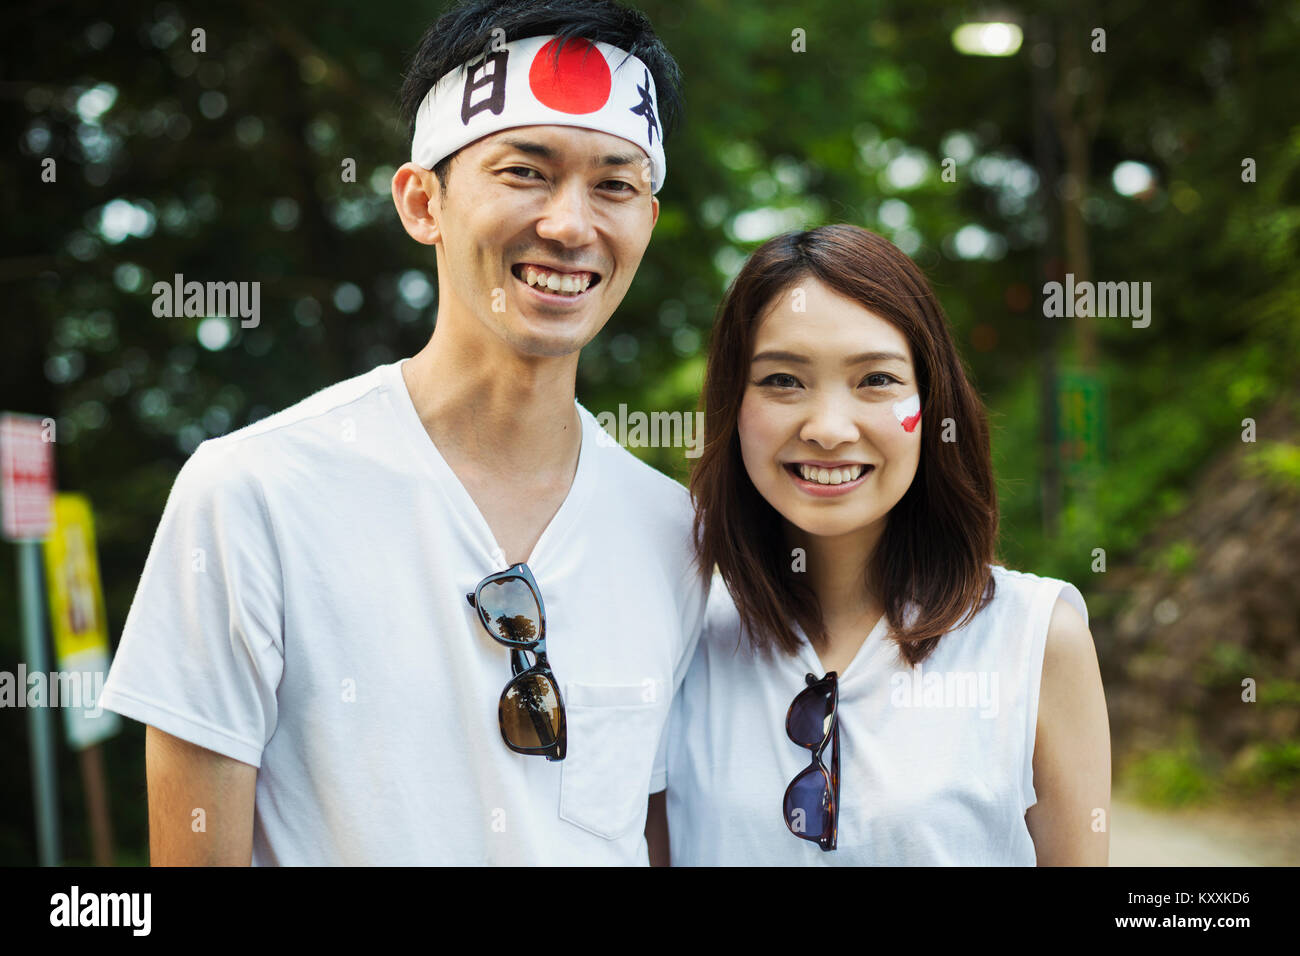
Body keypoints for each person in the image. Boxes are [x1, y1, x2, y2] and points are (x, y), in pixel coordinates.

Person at [100, 0, 708, 865]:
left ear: (645, 221)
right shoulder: (253, 493)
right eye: (525, 171)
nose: (572, 225)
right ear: (423, 202)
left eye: (615, 184)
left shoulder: (679, 538)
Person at [666, 224, 1110, 865]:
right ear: (732, 406)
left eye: (875, 379)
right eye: (783, 380)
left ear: (934, 404)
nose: (827, 428)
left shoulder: (1036, 638)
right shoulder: (680, 628)